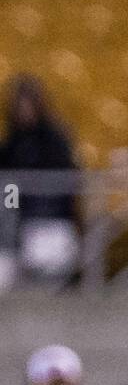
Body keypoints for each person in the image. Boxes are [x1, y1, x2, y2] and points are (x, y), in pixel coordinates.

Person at [0, 76, 80, 287]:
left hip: (49, 220)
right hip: (16, 221)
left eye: (27, 105)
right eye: (19, 106)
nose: (24, 111)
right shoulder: (12, 141)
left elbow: (65, 182)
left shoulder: (54, 141)